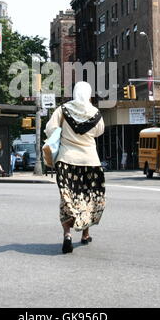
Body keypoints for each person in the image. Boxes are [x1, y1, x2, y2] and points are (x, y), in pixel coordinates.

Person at [45, 81, 105, 254]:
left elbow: (50, 129)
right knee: (88, 199)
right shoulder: (95, 112)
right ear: (89, 94)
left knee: (67, 199)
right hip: (90, 162)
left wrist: (63, 135)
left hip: (66, 160)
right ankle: (85, 234)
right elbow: (99, 131)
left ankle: (67, 234)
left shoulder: (62, 110)